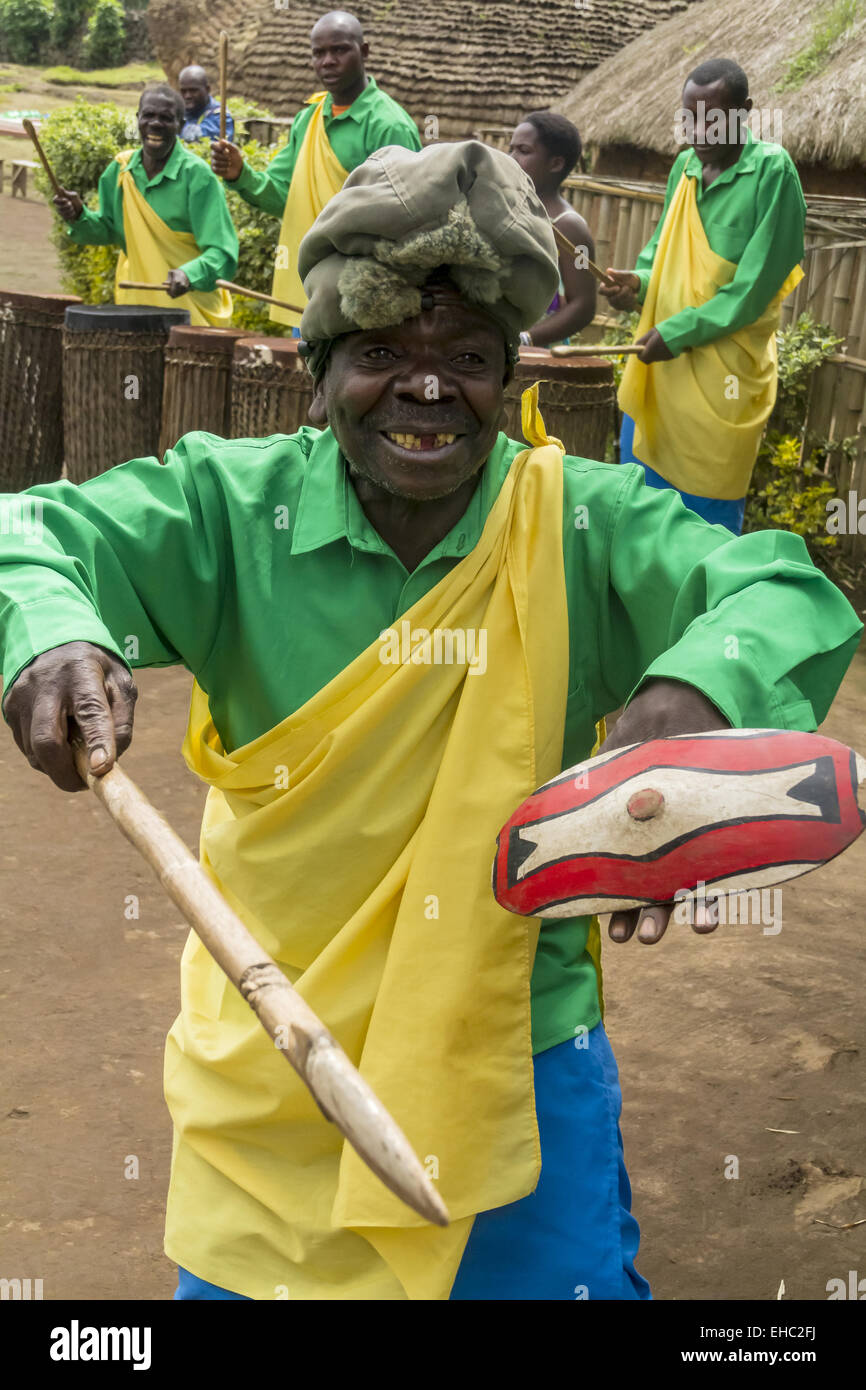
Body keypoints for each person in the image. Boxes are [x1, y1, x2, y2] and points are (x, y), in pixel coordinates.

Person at [0, 141, 859, 1302]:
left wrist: (699, 694)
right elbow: (33, 534)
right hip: (273, 1067)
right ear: (315, 367)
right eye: (377, 354)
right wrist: (52, 630)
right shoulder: (222, 508)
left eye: (464, 355)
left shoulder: (581, 527)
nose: (424, 385)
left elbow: (782, 591)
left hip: (512, 1051)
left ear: (508, 377)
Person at [600, 58, 807, 534]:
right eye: (690, 118)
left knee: (701, 529)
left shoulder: (772, 173)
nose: (700, 131)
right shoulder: (685, 168)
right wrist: (635, 284)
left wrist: (675, 332)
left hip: (721, 382)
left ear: (745, 111)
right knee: (638, 516)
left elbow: (750, 293)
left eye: (713, 118)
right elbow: (660, 257)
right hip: (660, 371)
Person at [210, 9, 420, 328]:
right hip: (310, 289)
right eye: (319, 53)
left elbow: (408, 220)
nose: (328, 61)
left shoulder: (388, 125)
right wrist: (240, 174)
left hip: (364, 299)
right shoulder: (308, 119)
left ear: (364, 52)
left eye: (339, 50)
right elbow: (284, 194)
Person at [53, 84, 238, 328]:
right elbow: (108, 229)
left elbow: (222, 254)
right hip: (135, 310)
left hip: (191, 313)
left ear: (181, 125)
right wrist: (78, 215)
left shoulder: (198, 177)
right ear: (137, 119)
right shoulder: (119, 171)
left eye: (166, 118)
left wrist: (189, 274)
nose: (155, 124)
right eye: (148, 115)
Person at [509, 110, 596, 346]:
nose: (512, 158)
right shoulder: (508, 211)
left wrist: (527, 339)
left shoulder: (568, 227)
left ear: (556, 163)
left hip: (538, 354)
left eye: (524, 151)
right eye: (512, 149)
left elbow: (583, 305)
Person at [178, 64, 235, 143]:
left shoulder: (221, 116)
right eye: (183, 91)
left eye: (193, 91)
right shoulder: (177, 111)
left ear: (207, 89)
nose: (187, 96)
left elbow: (217, 141)